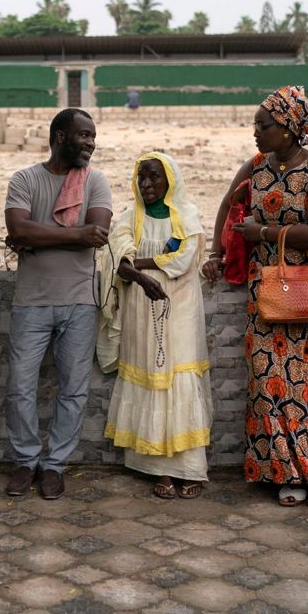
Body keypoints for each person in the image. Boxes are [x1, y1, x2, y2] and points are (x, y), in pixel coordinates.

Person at [204, 85, 308, 507]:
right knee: (271, 382)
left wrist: (265, 233)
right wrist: (217, 253)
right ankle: (287, 471)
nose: (256, 131)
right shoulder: (256, 166)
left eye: (264, 125)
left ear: (290, 129)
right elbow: (228, 205)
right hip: (270, 287)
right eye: (256, 124)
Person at [3, 108, 112, 500]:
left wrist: (37, 237)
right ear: (60, 136)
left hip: (80, 302)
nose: (90, 143)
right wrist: (73, 234)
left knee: (73, 391)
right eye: (83, 135)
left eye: (93, 136)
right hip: (31, 302)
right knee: (19, 386)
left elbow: (97, 234)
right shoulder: (25, 179)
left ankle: (54, 465)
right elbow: (17, 228)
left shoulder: (95, 182)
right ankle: (25, 461)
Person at [103, 151, 213, 499]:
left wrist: (141, 264)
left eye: (155, 178)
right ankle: (157, 469)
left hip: (178, 308)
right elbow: (119, 258)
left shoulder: (187, 215)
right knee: (150, 374)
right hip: (141, 309)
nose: (147, 185)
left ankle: (188, 468)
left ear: (170, 181)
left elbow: (181, 261)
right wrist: (138, 272)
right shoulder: (128, 217)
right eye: (142, 178)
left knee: (178, 376)